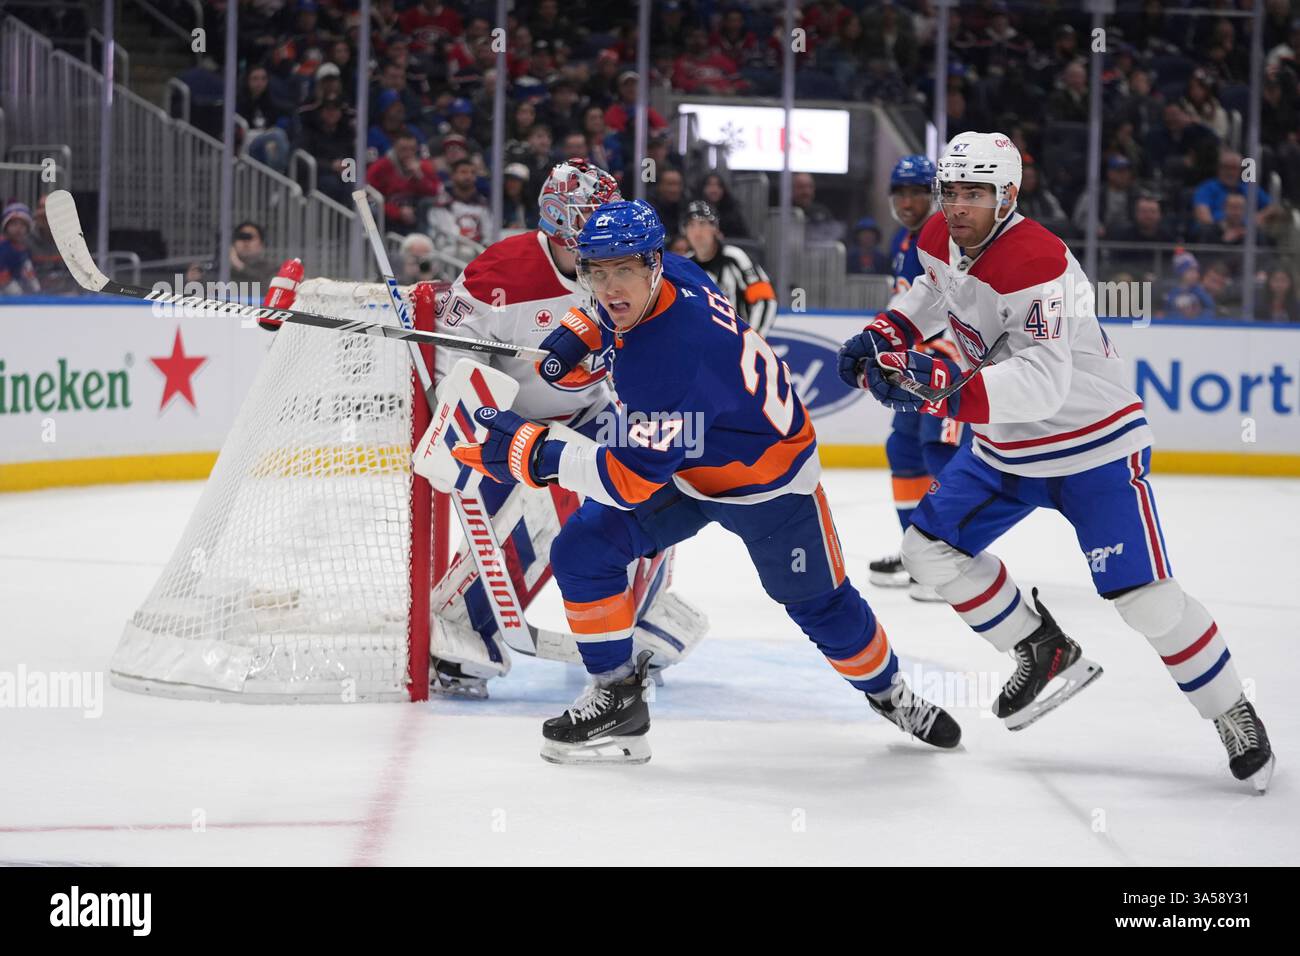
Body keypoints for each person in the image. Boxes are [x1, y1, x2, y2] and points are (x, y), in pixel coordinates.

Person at [453, 199, 962, 764]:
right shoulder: (675, 271)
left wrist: (532, 452)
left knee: (820, 606)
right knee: (583, 549)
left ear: (651, 265)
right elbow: (610, 313)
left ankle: (891, 694)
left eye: (623, 270)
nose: (610, 286)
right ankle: (618, 698)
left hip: (768, 479)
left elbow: (627, 482)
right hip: (692, 451)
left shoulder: (666, 358)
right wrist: (580, 334)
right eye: (596, 272)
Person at [837, 132, 1273, 790]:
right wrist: (886, 332)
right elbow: (930, 291)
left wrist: (937, 385)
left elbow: (1040, 383)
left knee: (1148, 602)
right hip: (1008, 448)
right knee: (928, 552)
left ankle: (1231, 709)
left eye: (974, 194)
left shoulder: (1039, 263)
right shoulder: (937, 236)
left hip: (1093, 445)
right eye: (950, 191)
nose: (957, 205)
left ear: (1007, 196)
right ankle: (1040, 647)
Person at [427, 159, 705, 697]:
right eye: (593, 216)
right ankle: (461, 638)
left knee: (657, 494)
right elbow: (450, 359)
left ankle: (641, 619)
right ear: (560, 219)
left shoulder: (632, 264)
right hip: (512, 427)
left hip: (593, 413)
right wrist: (475, 420)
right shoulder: (498, 272)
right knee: (528, 525)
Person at [866, 155, 969, 601]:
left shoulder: (949, 239)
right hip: (915, 366)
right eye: (901, 193)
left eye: (918, 192)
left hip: (950, 364)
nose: (908, 202)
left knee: (938, 448)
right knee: (904, 447)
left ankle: (950, 559)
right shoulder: (905, 243)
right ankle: (917, 552)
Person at [682, 200, 776, 334]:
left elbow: (765, 299)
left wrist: (753, 338)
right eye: (691, 225)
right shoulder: (683, 266)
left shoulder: (735, 258)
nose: (697, 232)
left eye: (702, 224)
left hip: (736, 343)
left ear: (715, 227)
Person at [365, 131, 442, 235]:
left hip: (415, 212)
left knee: (428, 205)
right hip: (389, 213)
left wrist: (420, 177)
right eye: (403, 149)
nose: (408, 153)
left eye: (412, 149)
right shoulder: (380, 167)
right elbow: (370, 199)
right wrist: (397, 212)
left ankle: (423, 242)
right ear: (394, 148)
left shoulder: (423, 166)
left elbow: (435, 192)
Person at [0, 201, 41, 294]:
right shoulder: (2, 247)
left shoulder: (25, 248)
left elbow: (29, 272)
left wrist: (36, 290)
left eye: (22, 225)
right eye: (14, 224)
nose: (18, 228)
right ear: (6, 227)